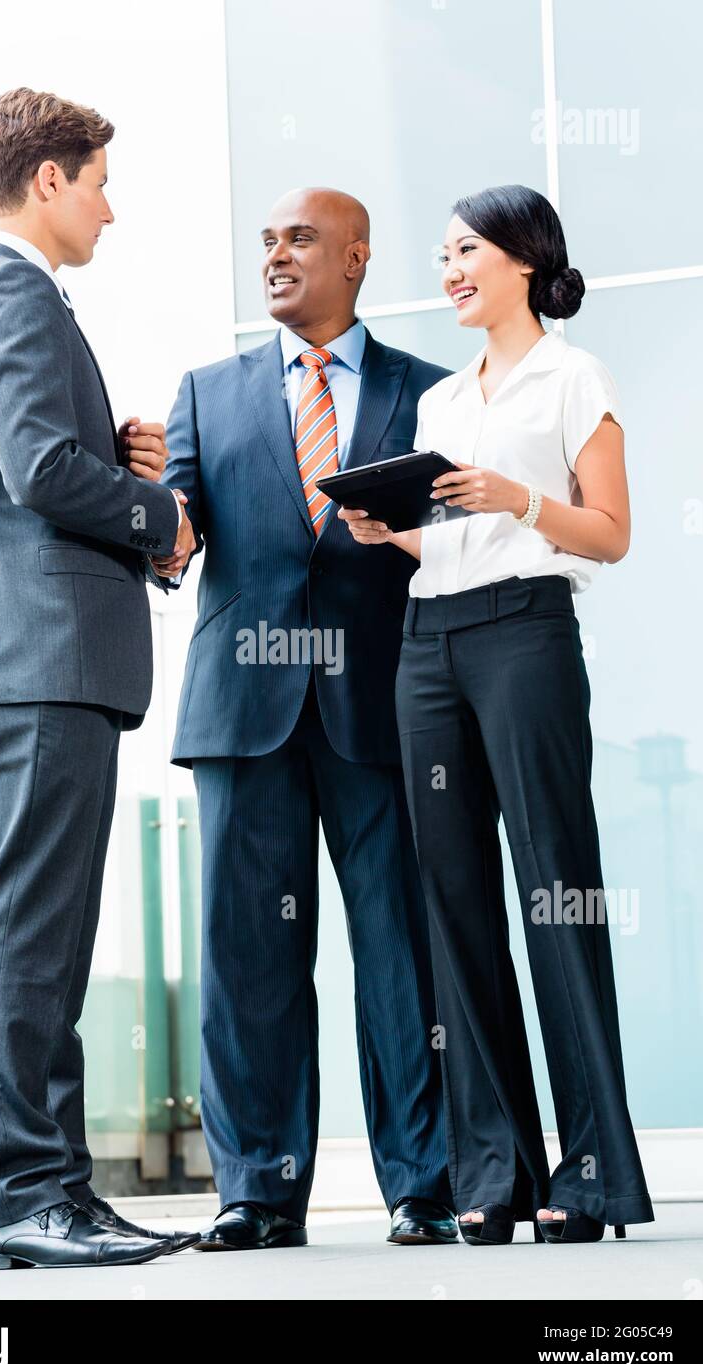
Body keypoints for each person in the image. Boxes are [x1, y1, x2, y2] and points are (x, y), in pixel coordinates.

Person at [339, 184, 655, 1245]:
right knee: (452, 900)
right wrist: (391, 534)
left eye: (464, 250)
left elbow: (606, 533)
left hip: (526, 633)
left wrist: (516, 498)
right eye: (438, 256)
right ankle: (494, 1166)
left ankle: (595, 1170)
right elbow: (449, 540)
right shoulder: (438, 404)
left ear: (522, 259)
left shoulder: (573, 377)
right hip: (427, 640)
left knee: (552, 889)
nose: (448, 270)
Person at [149, 187, 456, 1250]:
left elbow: (457, 548)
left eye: (300, 240)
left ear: (357, 258)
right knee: (249, 960)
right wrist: (155, 526)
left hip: (384, 706)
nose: (275, 256)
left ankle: (424, 1181)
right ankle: (258, 1189)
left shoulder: (433, 394)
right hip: (244, 711)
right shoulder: (205, 391)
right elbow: (178, 534)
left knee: (400, 952)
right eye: (266, 242)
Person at [0, 87, 199, 1268]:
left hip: (51, 659)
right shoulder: (8, 290)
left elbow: (44, 462)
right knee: (28, 927)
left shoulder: (12, 298)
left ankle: (57, 1190)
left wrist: (119, 464)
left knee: (50, 932)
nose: (109, 207)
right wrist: (158, 509)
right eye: (97, 180)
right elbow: (39, 469)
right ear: (48, 179)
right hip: (40, 656)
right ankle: (21, 1194)